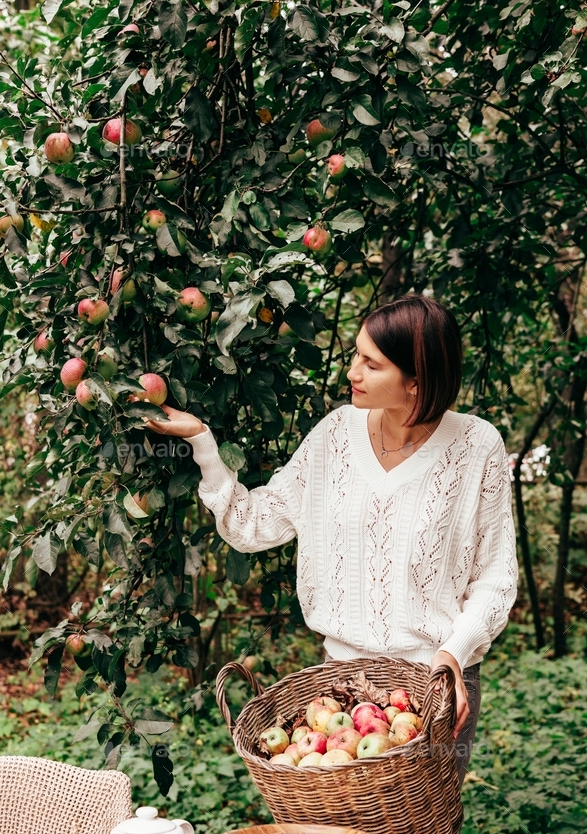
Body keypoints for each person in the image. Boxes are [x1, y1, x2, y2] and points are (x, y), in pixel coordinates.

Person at [146, 295, 518, 784]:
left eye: (371, 363)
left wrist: (455, 653)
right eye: (355, 354)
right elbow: (253, 523)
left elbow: (495, 578)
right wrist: (203, 444)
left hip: (435, 689)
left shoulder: (477, 447)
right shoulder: (336, 435)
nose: (351, 372)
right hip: (340, 686)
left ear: (416, 380)